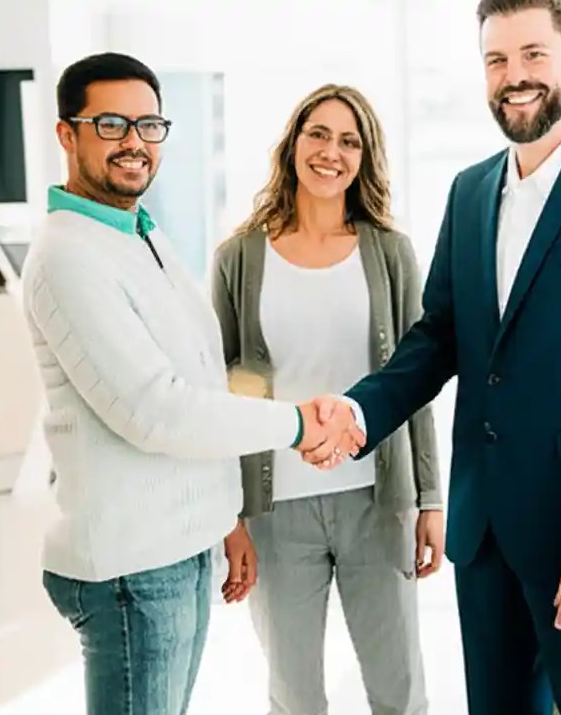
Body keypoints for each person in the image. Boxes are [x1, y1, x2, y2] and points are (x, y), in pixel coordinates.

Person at [304, 0, 561, 712]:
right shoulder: (471, 191)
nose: (515, 76)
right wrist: (360, 414)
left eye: (533, 55)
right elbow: (439, 337)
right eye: (497, 60)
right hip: (484, 538)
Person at [20, 52, 361, 715]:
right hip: (131, 568)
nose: (134, 142)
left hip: (176, 552)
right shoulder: (68, 256)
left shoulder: (138, 234)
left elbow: (202, 379)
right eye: (112, 124)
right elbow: (157, 410)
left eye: (149, 126)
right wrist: (298, 423)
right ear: (67, 134)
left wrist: (224, 517)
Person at [210, 83, 444, 715]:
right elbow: (221, 398)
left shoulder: (389, 252)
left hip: (377, 502)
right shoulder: (238, 258)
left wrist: (429, 499)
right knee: (295, 698)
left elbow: (416, 383)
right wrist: (230, 517)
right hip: (275, 512)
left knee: (400, 692)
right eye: (318, 134)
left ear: (365, 158)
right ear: (293, 143)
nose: (330, 152)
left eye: (349, 141)